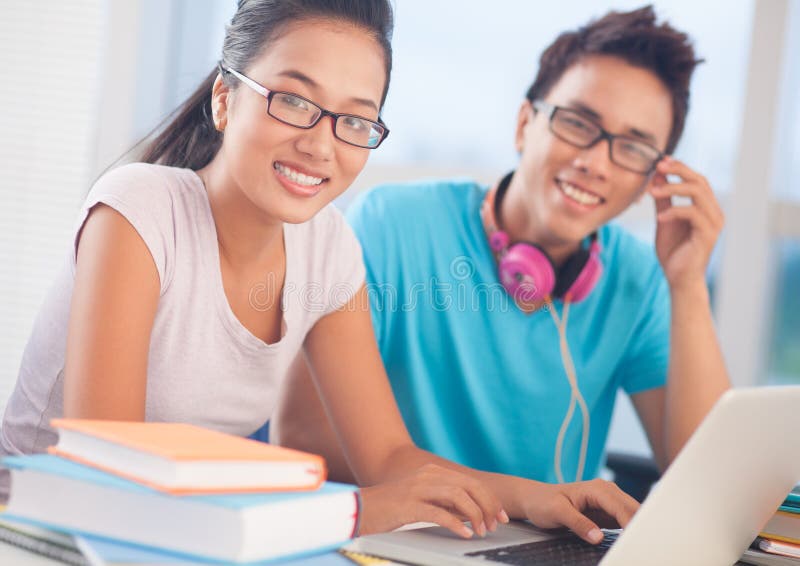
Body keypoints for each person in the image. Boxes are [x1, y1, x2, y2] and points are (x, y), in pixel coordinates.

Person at [0, 0, 639, 543]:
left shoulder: (329, 249)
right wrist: (358, 512)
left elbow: (388, 456)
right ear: (224, 99)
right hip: (42, 535)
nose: (320, 144)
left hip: (182, 540)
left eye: (354, 120)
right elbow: (109, 473)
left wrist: (533, 497)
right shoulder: (140, 209)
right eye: (293, 101)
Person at [274, 5, 731, 499]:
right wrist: (524, 501)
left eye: (633, 149)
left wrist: (689, 285)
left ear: (650, 180)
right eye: (578, 123)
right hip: (403, 532)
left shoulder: (639, 279)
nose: (596, 164)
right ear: (523, 124)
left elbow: (711, 485)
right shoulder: (393, 225)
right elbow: (304, 440)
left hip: (553, 537)